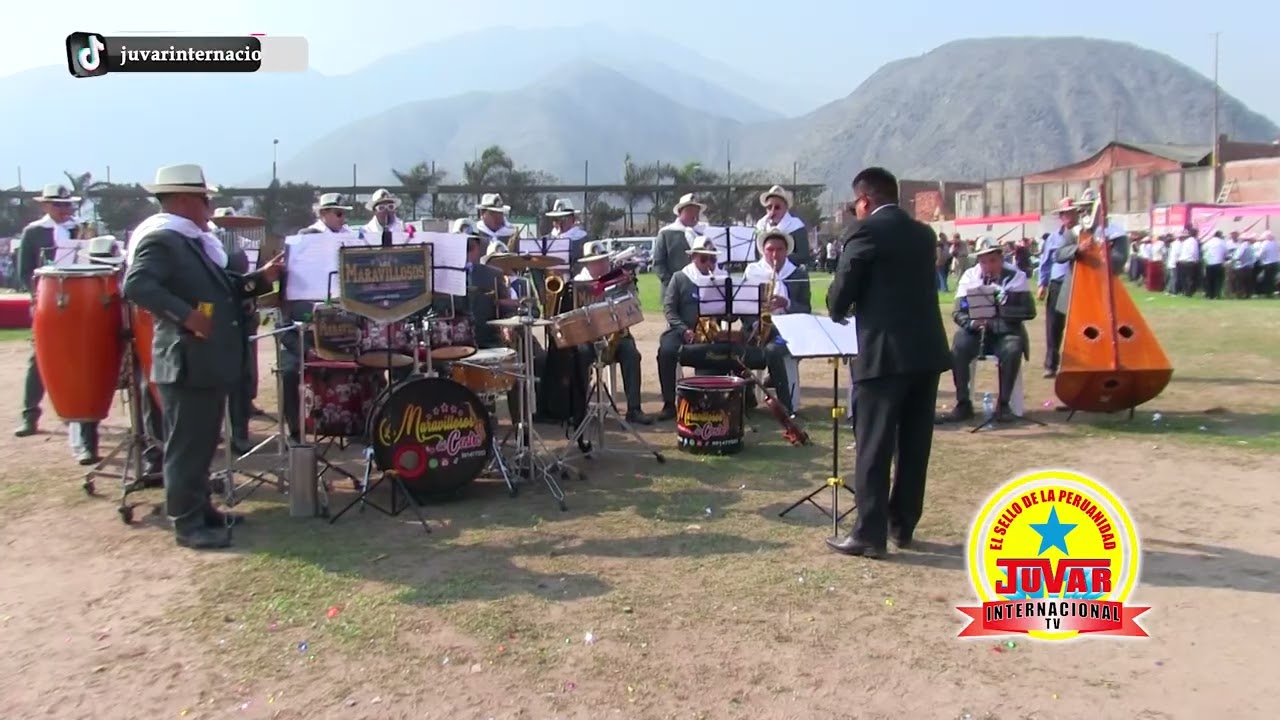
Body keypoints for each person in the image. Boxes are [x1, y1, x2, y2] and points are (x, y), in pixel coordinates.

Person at [122, 163, 282, 550]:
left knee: (204, 440)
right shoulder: (162, 239)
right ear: (181, 200)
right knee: (186, 446)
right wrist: (186, 314)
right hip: (187, 360)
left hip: (207, 360)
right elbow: (137, 284)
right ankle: (187, 523)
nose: (209, 205)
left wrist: (262, 277)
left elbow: (224, 288)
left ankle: (203, 509)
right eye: (203, 198)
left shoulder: (192, 239)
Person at [825, 167, 951, 559]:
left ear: (864, 201)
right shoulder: (923, 234)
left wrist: (838, 306)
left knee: (874, 446)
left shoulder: (865, 232)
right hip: (926, 352)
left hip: (882, 355)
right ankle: (902, 525)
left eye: (855, 205)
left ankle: (868, 533)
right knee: (915, 446)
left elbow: (844, 289)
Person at [13, 183, 105, 464]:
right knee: (39, 358)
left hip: (80, 302)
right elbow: (24, 272)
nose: (65, 210)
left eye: (67, 205)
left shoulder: (83, 229)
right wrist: (39, 294)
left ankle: (83, 424)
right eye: (59, 205)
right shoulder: (34, 232)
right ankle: (30, 414)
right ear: (46, 206)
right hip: (48, 301)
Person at [277, 193, 353, 440]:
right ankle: (296, 429)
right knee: (290, 371)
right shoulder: (305, 240)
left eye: (344, 213)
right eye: (339, 214)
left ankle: (354, 420)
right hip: (302, 323)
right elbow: (286, 297)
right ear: (323, 214)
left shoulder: (348, 239)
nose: (343, 218)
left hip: (339, 321)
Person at [935, 237, 1035, 424]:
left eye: (992, 261)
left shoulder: (1016, 276)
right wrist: (972, 323)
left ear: (1001, 258)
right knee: (959, 346)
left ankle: (1004, 405)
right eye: (983, 261)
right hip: (976, 332)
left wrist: (1000, 310)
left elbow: (1029, 311)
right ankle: (963, 403)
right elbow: (958, 311)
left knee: (1013, 348)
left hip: (1006, 332)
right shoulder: (970, 276)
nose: (987, 266)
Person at [572, 240, 651, 424]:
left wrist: (629, 286)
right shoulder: (577, 284)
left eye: (604, 260)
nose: (603, 265)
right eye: (598, 261)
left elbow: (633, 307)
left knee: (631, 353)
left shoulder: (618, 279)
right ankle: (578, 409)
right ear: (587, 264)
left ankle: (634, 409)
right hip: (589, 338)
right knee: (580, 355)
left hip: (616, 333)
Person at [741, 229, 811, 416]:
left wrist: (786, 303)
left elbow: (806, 309)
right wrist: (755, 321)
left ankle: (785, 405)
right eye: (770, 249)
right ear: (762, 250)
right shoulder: (752, 272)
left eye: (779, 250)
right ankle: (746, 398)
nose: (774, 254)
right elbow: (741, 305)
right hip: (757, 327)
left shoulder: (797, 273)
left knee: (773, 351)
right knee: (733, 349)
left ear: (786, 251)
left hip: (788, 330)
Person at [655, 237, 723, 421]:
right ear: (692, 257)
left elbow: (729, 313)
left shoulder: (721, 279)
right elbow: (669, 309)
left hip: (710, 332)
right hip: (682, 330)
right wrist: (683, 329)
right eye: (704, 259)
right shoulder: (680, 277)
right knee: (666, 351)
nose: (709, 263)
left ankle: (725, 398)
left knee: (729, 350)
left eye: (713, 259)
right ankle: (669, 403)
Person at [210, 207, 258, 453]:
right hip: (212, 316)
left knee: (240, 377)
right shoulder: (204, 242)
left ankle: (239, 432)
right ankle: (220, 432)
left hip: (238, 316)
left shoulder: (237, 249)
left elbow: (244, 280)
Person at [1037, 198, 1079, 379]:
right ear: (1060, 217)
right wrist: (1042, 283)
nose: (1067, 216)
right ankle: (1050, 364)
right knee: (1054, 326)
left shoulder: (1083, 234)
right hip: (1058, 283)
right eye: (1064, 213)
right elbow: (1045, 262)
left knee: (1078, 326)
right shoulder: (1053, 237)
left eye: (1071, 212)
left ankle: (1078, 364)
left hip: (1080, 283)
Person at [652, 193, 708, 299]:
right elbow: (658, 263)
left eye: (697, 211)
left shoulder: (703, 233)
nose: (695, 215)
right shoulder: (666, 233)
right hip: (674, 293)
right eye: (690, 210)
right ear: (680, 212)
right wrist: (672, 285)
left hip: (699, 292)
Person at [755, 185, 811, 268]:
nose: (773, 211)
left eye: (777, 207)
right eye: (769, 207)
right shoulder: (761, 225)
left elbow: (803, 255)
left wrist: (779, 259)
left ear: (786, 208)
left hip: (791, 271)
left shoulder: (796, 225)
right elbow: (757, 254)